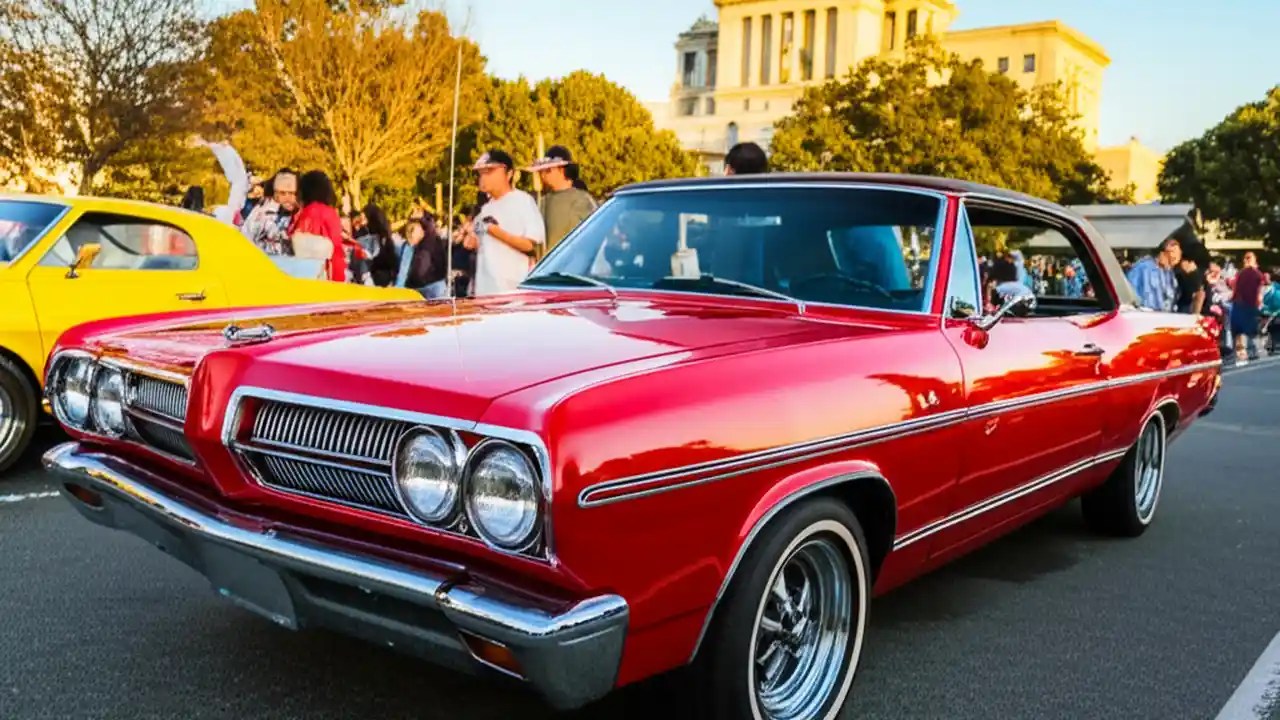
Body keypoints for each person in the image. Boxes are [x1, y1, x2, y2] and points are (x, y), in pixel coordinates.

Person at [460, 150, 545, 295]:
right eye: (481, 173)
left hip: (511, 292)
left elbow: (532, 246)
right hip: (484, 292)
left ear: (509, 173)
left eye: (490, 171)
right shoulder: (485, 209)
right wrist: (473, 242)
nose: (484, 178)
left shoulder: (522, 201)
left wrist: (497, 233)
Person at [527, 145, 596, 257]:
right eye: (541, 171)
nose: (543, 175)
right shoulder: (541, 202)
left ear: (562, 170)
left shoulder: (582, 200)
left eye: (548, 170)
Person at [289, 170, 346, 282]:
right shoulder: (331, 212)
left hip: (318, 274)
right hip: (335, 269)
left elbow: (304, 248)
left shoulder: (311, 212)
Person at [242, 168, 300, 255]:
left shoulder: (299, 215)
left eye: (292, 193)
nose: (289, 198)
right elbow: (247, 237)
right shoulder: (262, 211)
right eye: (283, 193)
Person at [395, 214, 449, 299]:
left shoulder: (425, 246)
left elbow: (411, 271)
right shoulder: (433, 241)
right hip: (433, 286)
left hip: (428, 288)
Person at [1126, 238, 1181, 312]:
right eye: (1171, 258)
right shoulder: (1142, 268)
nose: (1171, 264)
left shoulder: (1169, 273)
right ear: (1162, 253)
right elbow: (1129, 294)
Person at [1230, 251, 1264, 362]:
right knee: (1242, 331)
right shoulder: (1242, 273)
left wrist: (1258, 304)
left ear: (1255, 260)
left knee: (1250, 331)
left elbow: (1259, 291)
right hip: (1241, 304)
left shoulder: (1256, 274)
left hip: (1248, 305)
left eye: (1249, 258)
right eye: (1245, 258)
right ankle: (1243, 354)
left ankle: (1254, 352)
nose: (1246, 260)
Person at [361, 203, 401, 288]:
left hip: (381, 276)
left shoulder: (383, 238)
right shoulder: (380, 236)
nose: (362, 222)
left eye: (365, 218)